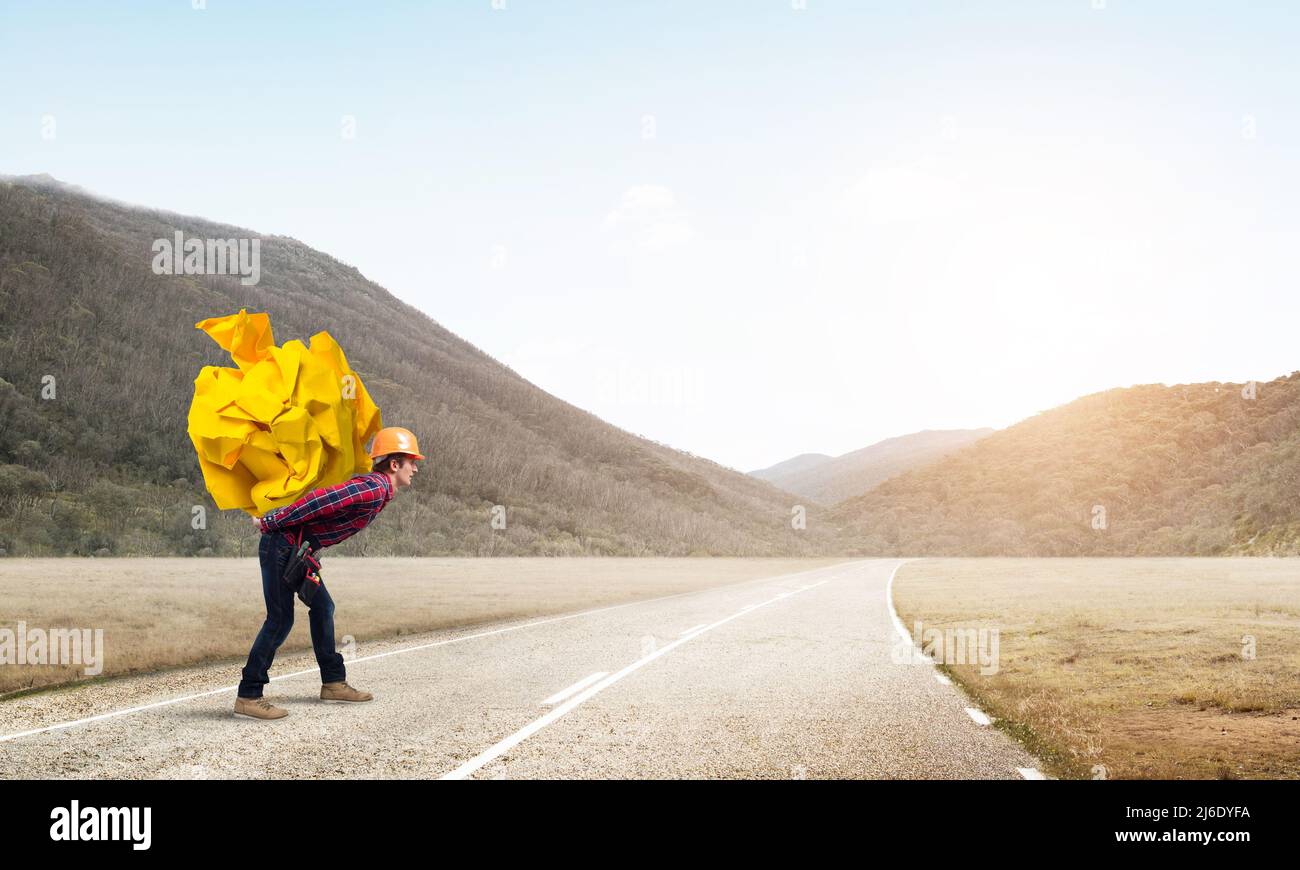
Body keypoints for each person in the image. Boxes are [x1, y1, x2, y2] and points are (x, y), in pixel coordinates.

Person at [233, 427, 423, 720]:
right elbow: (320, 500)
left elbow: (325, 517)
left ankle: (333, 683)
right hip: (281, 543)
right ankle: (249, 695)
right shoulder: (373, 488)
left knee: (323, 606)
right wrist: (271, 521)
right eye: (412, 461)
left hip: (296, 549)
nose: (416, 467)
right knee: (280, 619)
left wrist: (311, 550)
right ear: (395, 464)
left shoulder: (380, 492)